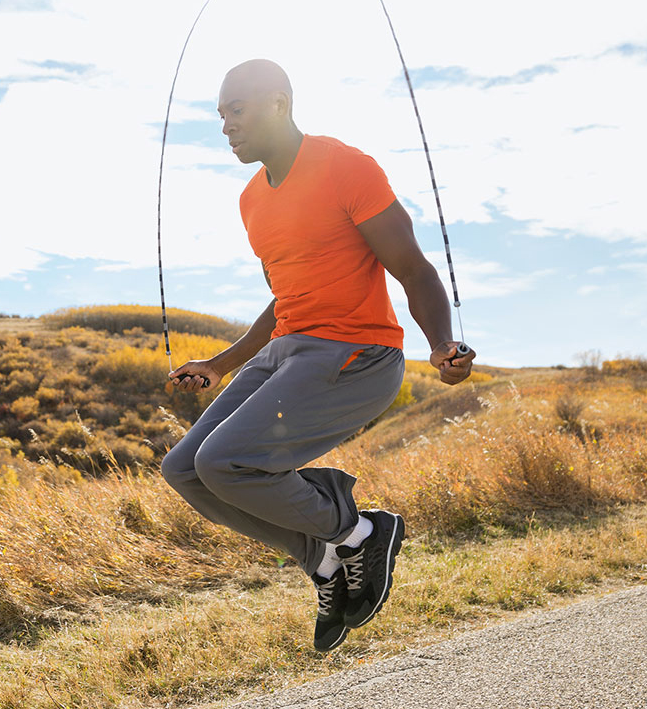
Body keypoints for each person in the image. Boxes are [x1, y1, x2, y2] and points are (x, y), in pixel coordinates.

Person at [160, 58, 477, 652]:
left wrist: (440, 345)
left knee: (224, 461)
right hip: (287, 350)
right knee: (184, 469)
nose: (226, 126)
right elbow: (286, 297)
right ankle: (326, 561)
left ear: (279, 104)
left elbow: (413, 269)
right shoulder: (251, 201)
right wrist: (219, 365)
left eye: (237, 110)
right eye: (220, 115)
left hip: (357, 353)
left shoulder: (345, 167)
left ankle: (361, 533)